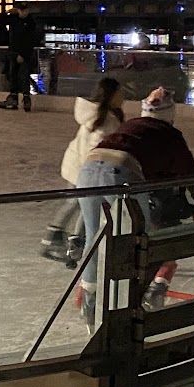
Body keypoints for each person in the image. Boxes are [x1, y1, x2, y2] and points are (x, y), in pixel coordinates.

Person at [76, 88, 194, 319]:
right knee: (142, 239)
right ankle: (135, 298)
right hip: (121, 171)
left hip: (87, 168)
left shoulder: (133, 126)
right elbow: (191, 174)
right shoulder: (169, 133)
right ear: (169, 114)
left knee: (94, 236)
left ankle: (90, 299)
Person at [44, 78, 127, 265]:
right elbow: (95, 148)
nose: (123, 97)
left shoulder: (106, 115)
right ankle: (53, 237)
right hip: (82, 166)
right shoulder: (103, 119)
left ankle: (74, 241)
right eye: (120, 93)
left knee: (84, 202)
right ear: (111, 95)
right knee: (76, 201)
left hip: (84, 166)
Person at [0, 3, 41, 112]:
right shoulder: (13, 19)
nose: (23, 12)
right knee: (13, 76)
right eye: (21, 10)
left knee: (24, 76)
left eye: (25, 10)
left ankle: (25, 99)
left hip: (24, 55)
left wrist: (23, 55)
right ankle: (14, 98)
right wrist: (6, 12)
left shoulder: (31, 22)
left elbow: (32, 40)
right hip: (13, 53)